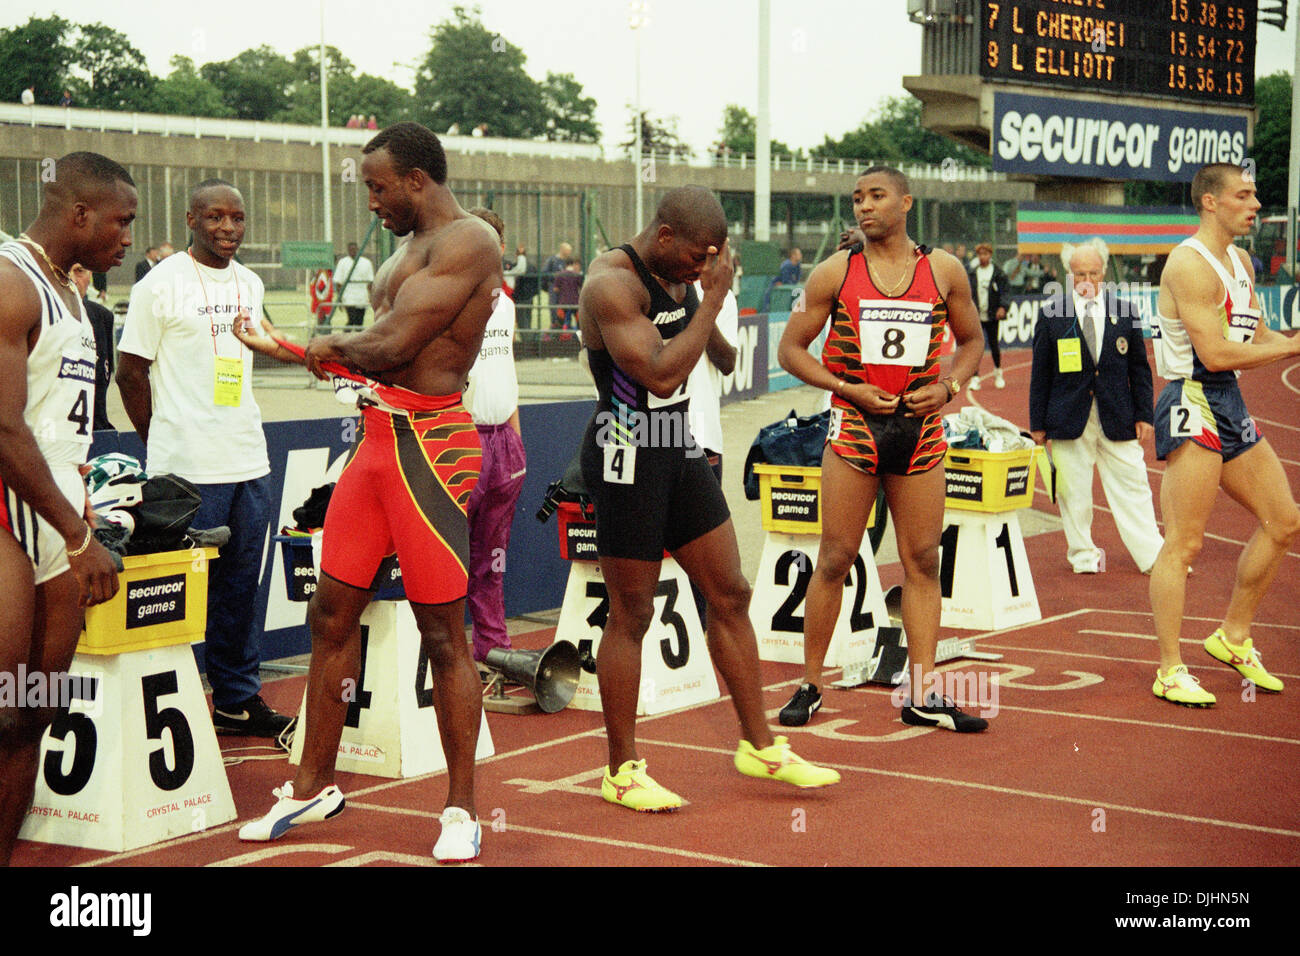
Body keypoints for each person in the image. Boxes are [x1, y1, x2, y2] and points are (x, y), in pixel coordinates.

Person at [233, 122, 502, 862]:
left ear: (416, 178)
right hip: (377, 445)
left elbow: (391, 347)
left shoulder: (471, 241)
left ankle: (461, 809)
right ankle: (314, 782)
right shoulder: (403, 251)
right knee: (330, 616)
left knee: (443, 633)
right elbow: (371, 363)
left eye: (378, 186)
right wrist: (308, 351)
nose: (372, 200)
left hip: (432, 452)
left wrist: (298, 347)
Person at [577, 185, 840, 812]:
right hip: (624, 444)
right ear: (665, 237)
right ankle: (619, 771)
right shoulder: (611, 283)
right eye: (697, 258)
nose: (702, 268)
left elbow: (718, 358)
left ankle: (759, 746)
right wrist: (715, 295)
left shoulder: (682, 274)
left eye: (709, 261)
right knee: (632, 614)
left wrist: (716, 305)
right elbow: (664, 371)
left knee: (731, 591)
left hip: (675, 442)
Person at [776, 166, 987, 732]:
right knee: (835, 558)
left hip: (920, 434)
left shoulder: (942, 270)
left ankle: (921, 692)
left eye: (876, 196)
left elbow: (972, 341)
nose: (864, 207)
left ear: (905, 202)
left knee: (922, 560)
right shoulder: (833, 272)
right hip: (855, 429)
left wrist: (947, 387)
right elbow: (790, 349)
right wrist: (844, 388)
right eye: (857, 198)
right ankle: (811, 684)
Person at [117, 179, 292, 740]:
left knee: (241, 589)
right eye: (215, 218)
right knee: (181, 592)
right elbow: (130, 371)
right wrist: (160, 443)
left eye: (237, 219)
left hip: (247, 459)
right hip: (187, 469)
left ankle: (237, 701)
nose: (228, 229)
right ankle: (175, 705)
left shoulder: (250, 281)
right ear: (190, 219)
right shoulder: (159, 285)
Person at [0, 151, 134, 865]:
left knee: (31, 716)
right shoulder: (9, 279)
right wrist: (79, 535)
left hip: (58, 507)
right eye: (120, 221)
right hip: (13, 509)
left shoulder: (73, 292)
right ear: (78, 213)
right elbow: (3, 427)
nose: (127, 237)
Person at [1147, 162, 1300, 706]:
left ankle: (1233, 636)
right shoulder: (1189, 265)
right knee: (1184, 542)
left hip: (1228, 400)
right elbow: (1214, 353)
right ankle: (1169, 669)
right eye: (1244, 195)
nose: (1255, 204)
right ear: (1211, 202)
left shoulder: (1241, 261)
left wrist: (1291, 338)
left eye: (1255, 194)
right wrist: (1291, 349)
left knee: (1283, 521)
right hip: (1190, 395)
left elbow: (1256, 332)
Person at [1028, 238, 1162, 575]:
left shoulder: (1125, 312)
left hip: (1118, 415)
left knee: (1134, 485)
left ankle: (1153, 556)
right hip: (1068, 417)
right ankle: (1083, 556)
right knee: (1073, 491)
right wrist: (1038, 425)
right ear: (1068, 276)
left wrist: (1145, 414)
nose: (1087, 280)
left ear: (1104, 273)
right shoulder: (1051, 315)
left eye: (1093, 273)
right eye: (1079, 274)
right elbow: (1040, 374)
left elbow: (1139, 370)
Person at [463, 207, 526, 664]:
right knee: (447, 557)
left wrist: (516, 441)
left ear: (500, 248)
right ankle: (438, 658)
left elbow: (507, 370)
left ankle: (492, 649)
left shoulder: (506, 304)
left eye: (493, 239)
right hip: (459, 441)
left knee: (493, 556)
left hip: (504, 441)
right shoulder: (451, 301)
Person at [684, 280, 738, 626]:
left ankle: (700, 643)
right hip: (650, 436)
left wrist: (699, 306)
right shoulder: (640, 285)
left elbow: (728, 360)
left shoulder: (718, 295)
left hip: (701, 437)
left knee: (705, 559)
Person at [69, 263, 117, 431]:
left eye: (79, 271)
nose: (72, 280)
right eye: (63, 271)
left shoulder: (103, 318)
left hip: (97, 433)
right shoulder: (37, 317)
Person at [966, 241, 1009, 390]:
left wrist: (1003, 307)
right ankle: (975, 377)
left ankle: (998, 372)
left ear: (990, 255)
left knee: (993, 344)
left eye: (985, 254)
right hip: (976, 315)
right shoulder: (972, 273)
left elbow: (1005, 292)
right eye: (980, 254)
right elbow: (968, 292)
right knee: (976, 346)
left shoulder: (998, 273)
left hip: (992, 315)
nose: (982, 257)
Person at [333, 241, 375, 329]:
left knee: (359, 322)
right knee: (352, 320)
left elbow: (370, 282)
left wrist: (371, 296)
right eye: (350, 250)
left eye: (354, 249)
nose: (353, 251)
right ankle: (345, 338)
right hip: (348, 296)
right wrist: (340, 298)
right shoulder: (342, 262)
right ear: (347, 251)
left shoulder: (366, 263)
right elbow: (338, 282)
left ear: (358, 249)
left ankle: (358, 340)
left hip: (362, 296)